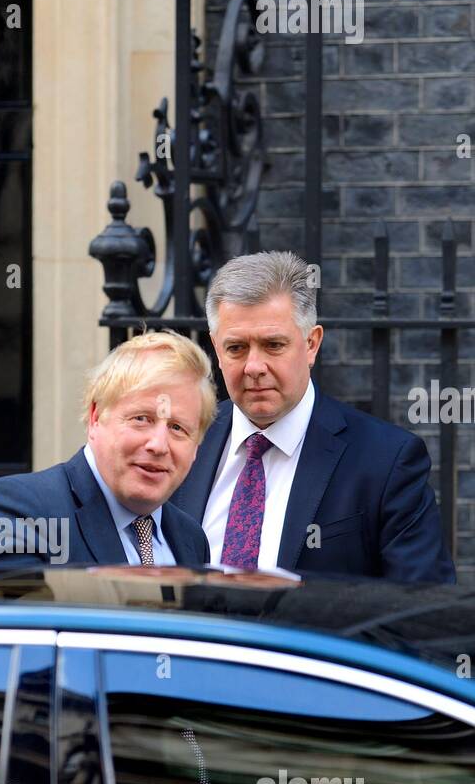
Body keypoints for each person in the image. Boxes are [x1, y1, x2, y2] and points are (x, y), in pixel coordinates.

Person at [170, 250, 456, 583]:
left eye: (274, 345)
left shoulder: (387, 462)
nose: (254, 367)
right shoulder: (184, 439)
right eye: (236, 348)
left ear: (311, 344)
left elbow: (421, 611)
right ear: (216, 350)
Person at [0, 331, 216, 569]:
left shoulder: (190, 539)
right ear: (96, 417)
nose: (158, 444)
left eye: (178, 428)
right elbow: (6, 627)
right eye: (141, 419)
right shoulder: (13, 514)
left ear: (196, 447)